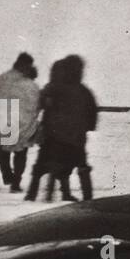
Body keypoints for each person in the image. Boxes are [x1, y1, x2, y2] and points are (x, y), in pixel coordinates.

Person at [25, 55, 98, 202]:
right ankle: (87, 198)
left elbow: (38, 104)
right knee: (80, 166)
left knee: (42, 166)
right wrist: (88, 126)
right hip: (76, 138)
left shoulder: (53, 87)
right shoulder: (83, 90)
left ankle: (32, 194)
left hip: (52, 136)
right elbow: (92, 112)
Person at [0, 53, 40, 193]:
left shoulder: (5, 78)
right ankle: (13, 180)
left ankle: (11, 178)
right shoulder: (29, 83)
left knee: (6, 153)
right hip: (22, 123)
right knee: (18, 153)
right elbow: (37, 103)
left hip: (10, 121)